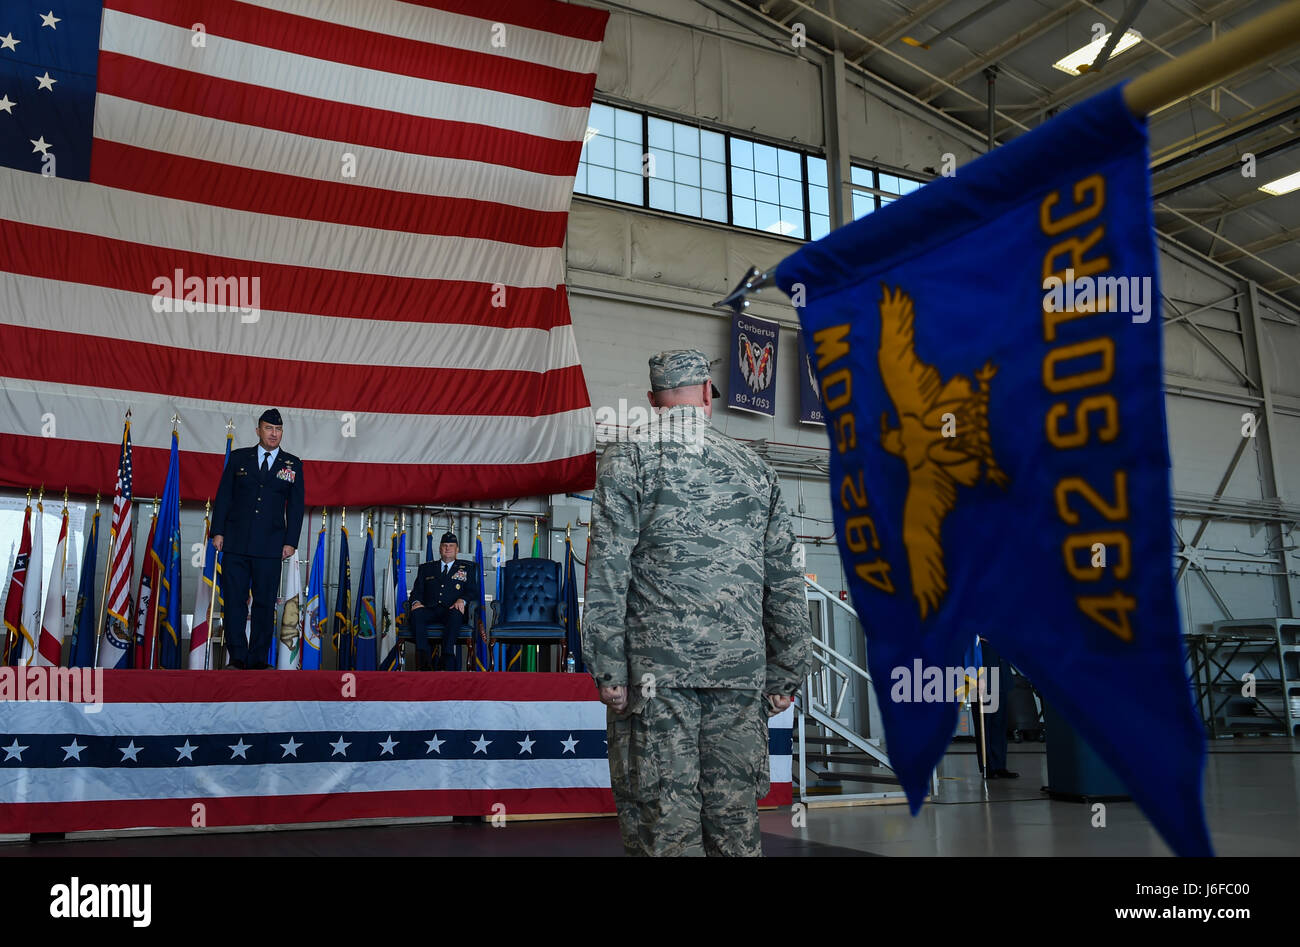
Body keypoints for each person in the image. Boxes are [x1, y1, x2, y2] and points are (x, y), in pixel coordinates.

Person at [585, 349, 811, 857]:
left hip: (654, 680)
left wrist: (608, 669)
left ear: (651, 401)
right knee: (735, 825)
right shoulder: (757, 469)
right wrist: (786, 673)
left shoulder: (627, 458)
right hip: (739, 677)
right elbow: (786, 580)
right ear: (707, 395)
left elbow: (607, 571)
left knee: (665, 823)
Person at [211, 409, 305, 669]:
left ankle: (258, 659)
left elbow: (296, 506)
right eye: (268, 429)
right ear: (258, 430)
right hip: (236, 542)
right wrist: (218, 531)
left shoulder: (292, 464)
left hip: (271, 545)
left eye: (278, 430)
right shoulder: (240, 458)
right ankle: (238, 656)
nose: (274, 434)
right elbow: (224, 496)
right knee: (233, 600)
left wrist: (290, 541)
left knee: (264, 603)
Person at [407, 532, 477, 671]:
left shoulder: (467, 569)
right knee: (416, 614)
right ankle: (424, 658)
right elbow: (417, 591)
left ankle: (447, 657)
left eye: (451, 546)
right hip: (430, 609)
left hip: (451, 610)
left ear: (457, 550)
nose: (447, 548)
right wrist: (415, 602)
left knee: (456, 613)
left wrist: (462, 600)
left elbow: (472, 591)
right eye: (445, 545)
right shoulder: (426, 568)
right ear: (439, 548)